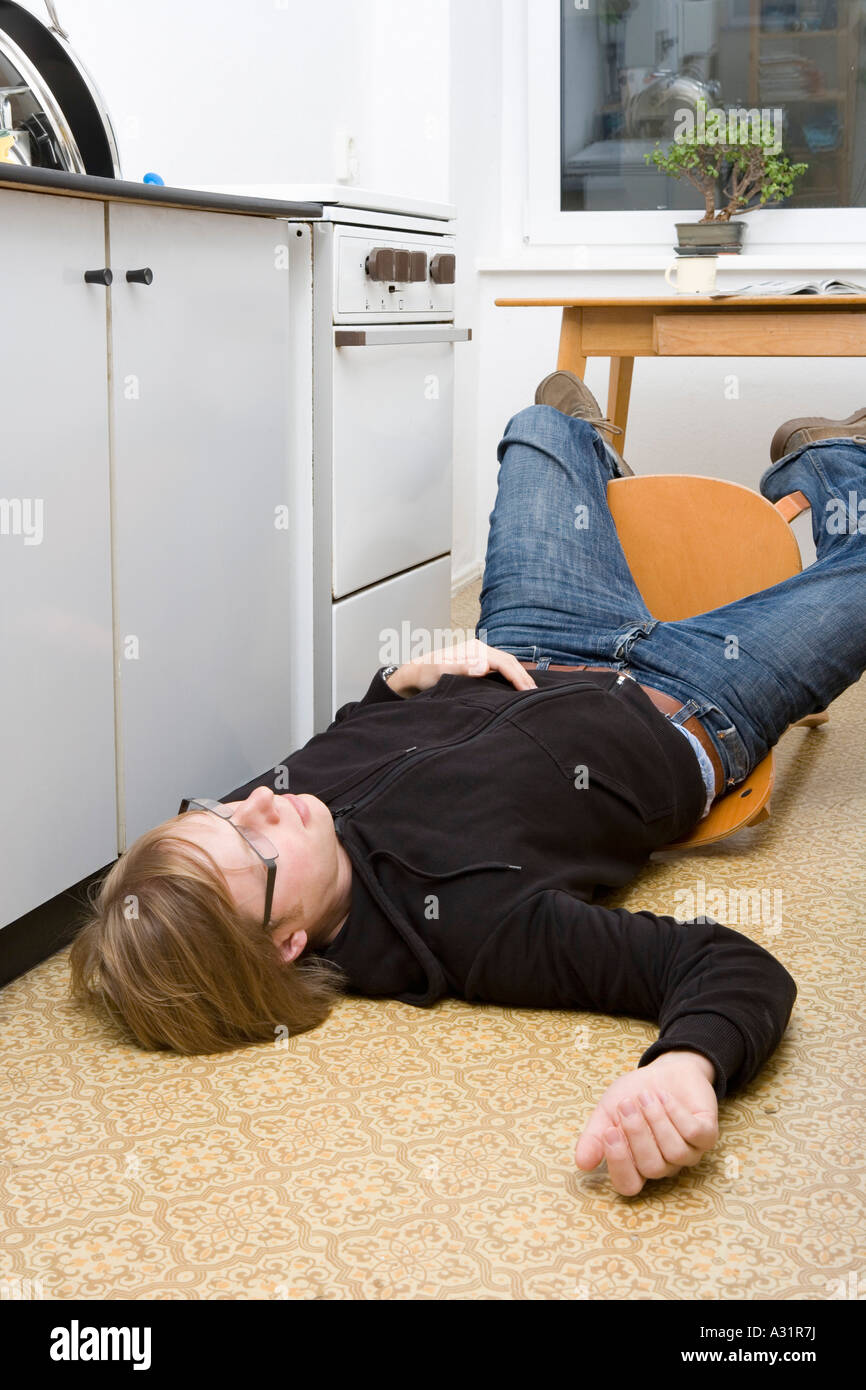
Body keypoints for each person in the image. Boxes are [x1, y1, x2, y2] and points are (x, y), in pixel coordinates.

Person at [70, 375, 866, 1198]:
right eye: (251, 841)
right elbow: (724, 964)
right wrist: (687, 1068)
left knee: (539, 425)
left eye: (219, 809)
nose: (260, 802)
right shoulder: (474, 928)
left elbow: (360, 729)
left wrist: (407, 678)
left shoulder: (272, 818)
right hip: (697, 700)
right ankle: (833, 458)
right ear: (285, 947)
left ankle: (592, 469)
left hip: (536, 633)